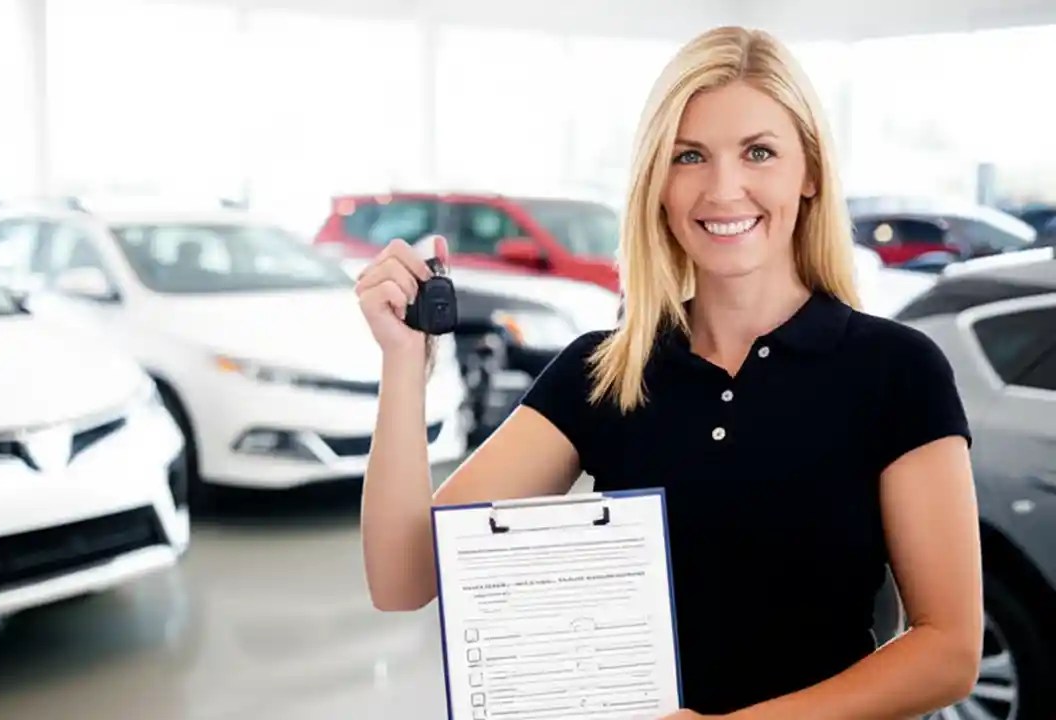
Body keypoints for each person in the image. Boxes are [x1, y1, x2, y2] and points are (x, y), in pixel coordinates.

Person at [354, 25, 982, 720]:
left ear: (810, 175)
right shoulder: (605, 370)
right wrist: (403, 366)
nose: (724, 189)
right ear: (657, 181)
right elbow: (404, 577)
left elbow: (949, 650)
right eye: (689, 156)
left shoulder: (896, 369)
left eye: (759, 153)